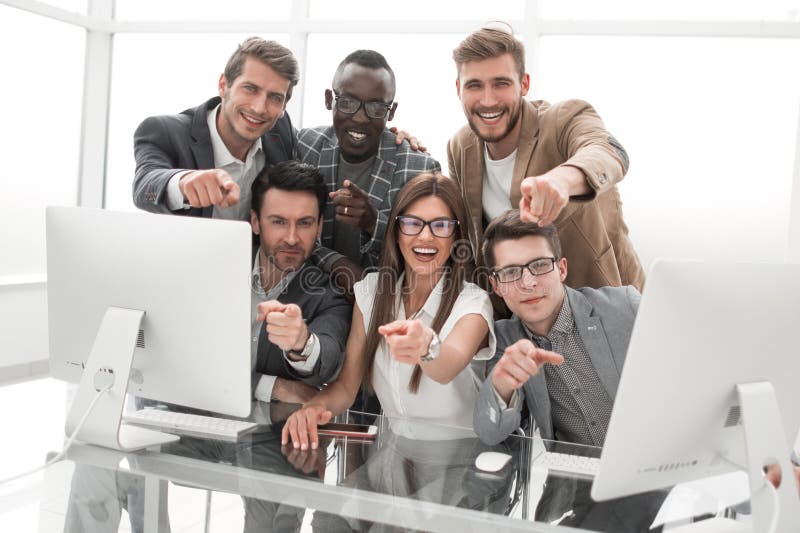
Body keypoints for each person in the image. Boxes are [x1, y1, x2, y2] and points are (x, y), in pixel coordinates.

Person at [472, 210, 664, 531]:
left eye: (539, 265)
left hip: (655, 476)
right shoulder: (504, 339)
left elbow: (691, 377)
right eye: (511, 272)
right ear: (496, 285)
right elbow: (491, 432)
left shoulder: (625, 307)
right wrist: (502, 385)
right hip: (586, 491)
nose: (528, 282)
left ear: (561, 268)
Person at [281, 172, 496, 451]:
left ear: (456, 236)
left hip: (462, 460)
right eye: (412, 224)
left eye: (441, 225)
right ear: (396, 230)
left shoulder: (473, 303)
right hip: (395, 455)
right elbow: (347, 387)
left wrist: (426, 347)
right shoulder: (370, 293)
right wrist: (313, 408)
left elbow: (447, 367)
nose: (425, 236)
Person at [447, 26, 644, 293]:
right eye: (474, 85)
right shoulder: (461, 146)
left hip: (604, 308)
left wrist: (562, 180)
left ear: (524, 84)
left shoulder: (563, 119)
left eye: (501, 83)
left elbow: (607, 150)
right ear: (459, 89)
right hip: (518, 319)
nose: (488, 99)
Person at [297, 49, 441, 276]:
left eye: (375, 108)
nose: (360, 117)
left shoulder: (420, 169)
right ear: (328, 100)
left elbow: (429, 255)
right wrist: (336, 263)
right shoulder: (304, 146)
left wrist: (375, 224)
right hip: (308, 297)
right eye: (347, 102)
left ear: (391, 112)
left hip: (384, 302)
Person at [133, 36, 298, 221]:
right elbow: (144, 186)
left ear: (284, 106)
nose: (259, 108)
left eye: (275, 97)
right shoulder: (165, 131)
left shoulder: (282, 133)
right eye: (250, 88)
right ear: (223, 85)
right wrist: (183, 182)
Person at [249, 160, 351, 406]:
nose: (292, 238)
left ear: (318, 228)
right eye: (279, 222)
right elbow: (188, 360)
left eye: (304, 223)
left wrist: (302, 342)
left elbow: (326, 359)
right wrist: (271, 386)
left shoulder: (329, 296)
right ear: (255, 222)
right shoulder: (219, 271)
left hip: (271, 437)